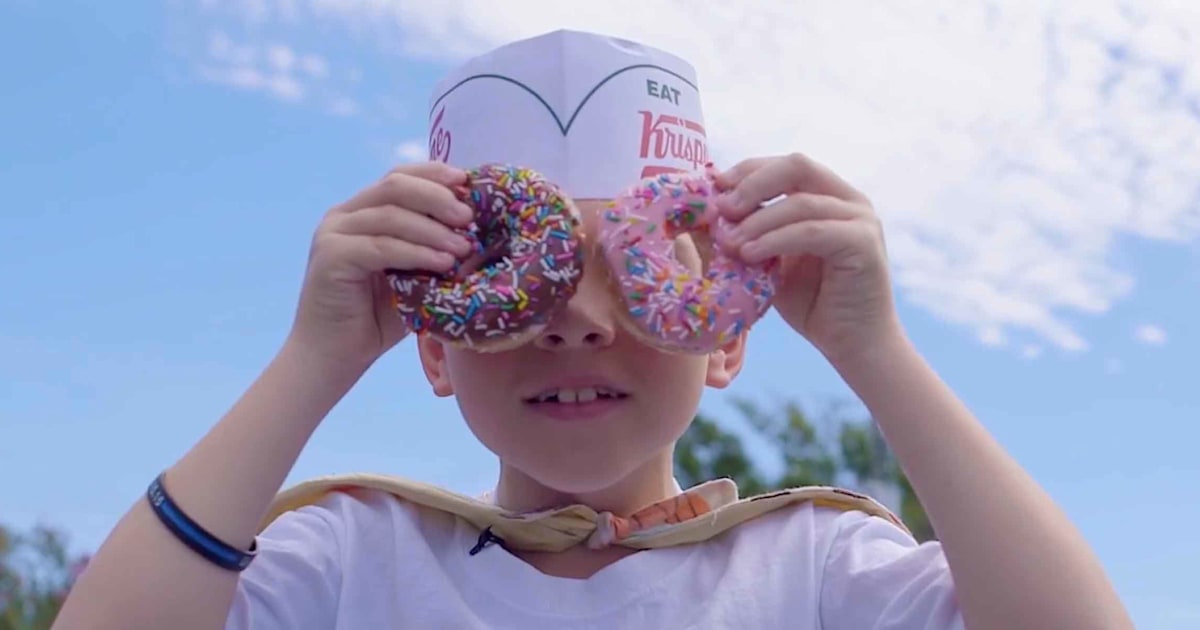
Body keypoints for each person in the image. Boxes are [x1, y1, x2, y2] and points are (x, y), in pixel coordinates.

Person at [53, 29, 1133, 629]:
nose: (575, 320)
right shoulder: (350, 561)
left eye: (634, 270)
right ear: (433, 341)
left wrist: (876, 350)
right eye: (524, 281)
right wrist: (313, 358)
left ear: (726, 334)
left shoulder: (818, 569)